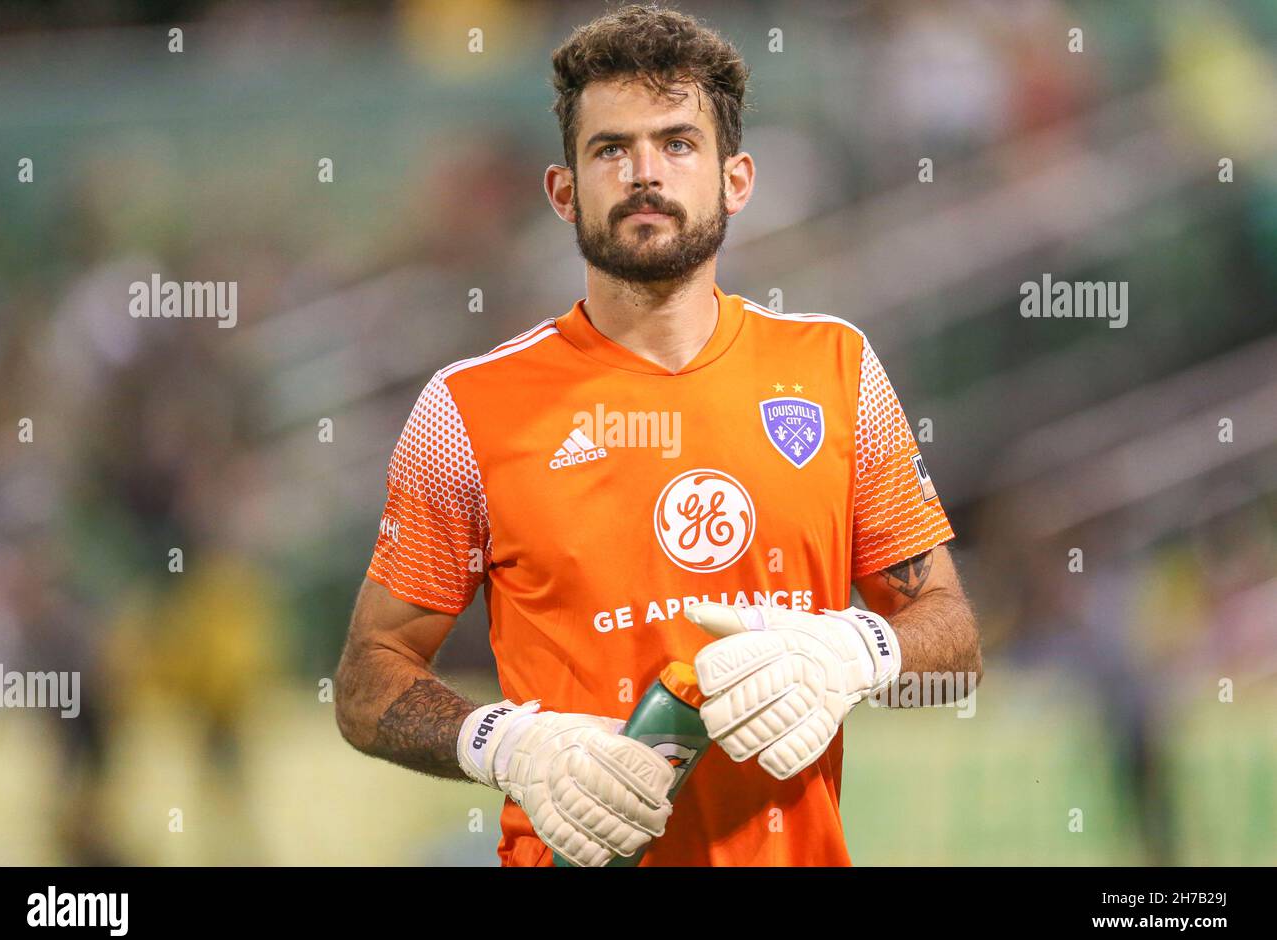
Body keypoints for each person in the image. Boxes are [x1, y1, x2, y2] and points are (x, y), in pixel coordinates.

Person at [335, 3, 980, 867]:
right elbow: (366, 681)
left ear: (735, 180)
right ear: (564, 192)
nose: (645, 173)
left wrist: (855, 652)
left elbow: (955, 642)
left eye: (677, 143)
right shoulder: (468, 412)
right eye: (611, 148)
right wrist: (510, 745)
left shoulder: (837, 371)